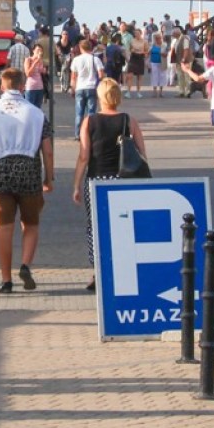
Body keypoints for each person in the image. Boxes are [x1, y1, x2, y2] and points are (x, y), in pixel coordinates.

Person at [0, 67, 53, 294]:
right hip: (29, 169)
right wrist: (49, 178)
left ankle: (5, 279)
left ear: (2, 86)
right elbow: (47, 151)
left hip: (0, 169)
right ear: (22, 86)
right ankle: (26, 265)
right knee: (31, 224)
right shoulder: (36, 113)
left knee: (3, 227)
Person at [72, 79, 145, 293]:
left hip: (97, 180)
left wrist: (76, 184)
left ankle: (98, 272)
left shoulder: (89, 121)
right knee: (124, 227)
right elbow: (141, 153)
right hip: (123, 181)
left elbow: (84, 156)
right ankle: (123, 269)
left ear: (100, 97)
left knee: (95, 227)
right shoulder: (128, 120)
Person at [68, 38, 105, 135]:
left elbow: (73, 77)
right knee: (91, 112)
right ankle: (90, 133)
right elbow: (101, 75)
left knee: (79, 113)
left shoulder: (76, 60)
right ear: (91, 48)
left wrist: (72, 89)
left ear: (81, 48)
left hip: (80, 88)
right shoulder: (95, 59)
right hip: (92, 87)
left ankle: (78, 133)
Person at [24, 43, 48, 111]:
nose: (39, 52)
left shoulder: (40, 61)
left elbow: (41, 71)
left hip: (39, 87)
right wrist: (35, 62)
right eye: (38, 50)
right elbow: (28, 73)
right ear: (33, 51)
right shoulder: (28, 59)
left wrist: (44, 70)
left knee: (37, 109)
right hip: (31, 88)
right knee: (29, 108)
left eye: (41, 51)